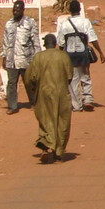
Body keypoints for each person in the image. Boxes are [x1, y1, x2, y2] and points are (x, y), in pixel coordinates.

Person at [26, 34, 73, 162]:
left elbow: (30, 77)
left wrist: (34, 90)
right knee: (62, 121)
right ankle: (59, 150)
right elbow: (69, 76)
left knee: (46, 120)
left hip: (44, 92)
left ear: (45, 44)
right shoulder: (64, 56)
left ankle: (46, 147)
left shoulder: (38, 57)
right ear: (56, 43)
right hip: (62, 92)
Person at [57, 0, 105, 112]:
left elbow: (60, 43)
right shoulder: (86, 22)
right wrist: (100, 52)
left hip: (70, 56)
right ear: (79, 10)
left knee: (73, 80)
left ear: (70, 10)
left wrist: (61, 56)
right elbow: (93, 39)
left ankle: (76, 105)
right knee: (85, 77)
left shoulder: (65, 24)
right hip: (83, 54)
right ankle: (87, 99)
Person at [1, 0, 40, 114]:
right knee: (11, 83)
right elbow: (5, 42)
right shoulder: (9, 24)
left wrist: (37, 58)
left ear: (23, 10)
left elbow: (35, 41)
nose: (15, 12)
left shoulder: (30, 22)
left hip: (26, 59)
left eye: (18, 10)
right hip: (11, 60)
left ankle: (34, 103)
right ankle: (12, 106)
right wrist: (4, 57)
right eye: (14, 9)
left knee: (29, 82)